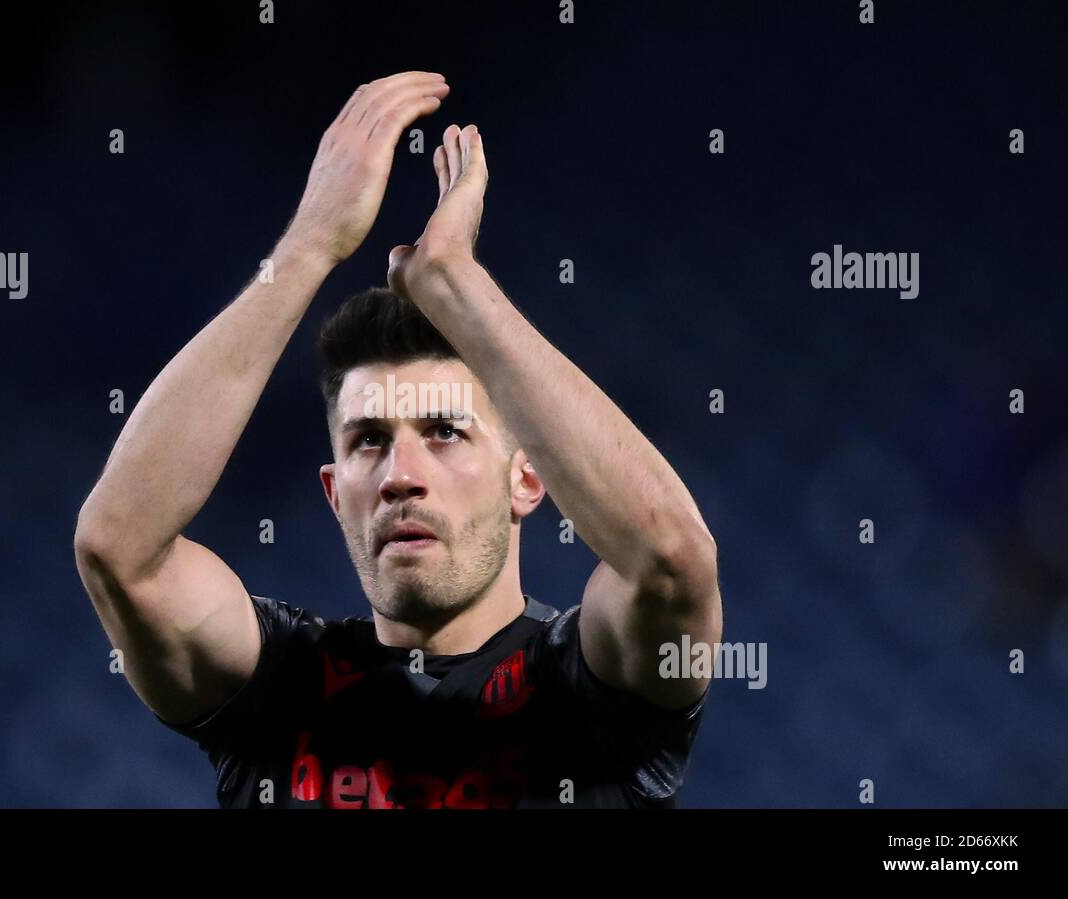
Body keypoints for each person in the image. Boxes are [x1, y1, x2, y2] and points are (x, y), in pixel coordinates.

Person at [74, 71, 722, 808]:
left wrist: (456, 285)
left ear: (527, 479)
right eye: (369, 440)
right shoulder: (285, 689)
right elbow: (118, 547)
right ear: (334, 491)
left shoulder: (591, 688)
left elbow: (673, 560)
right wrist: (311, 244)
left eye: (445, 431)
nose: (400, 474)